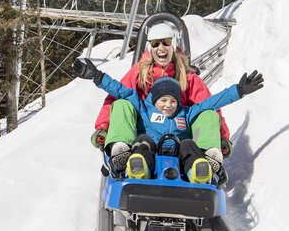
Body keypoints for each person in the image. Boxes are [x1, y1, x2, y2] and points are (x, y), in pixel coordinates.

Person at [74, 58, 264, 183]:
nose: (168, 105)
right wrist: (97, 76)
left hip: (179, 158)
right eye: (163, 101)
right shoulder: (144, 109)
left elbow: (211, 102)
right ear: (154, 100)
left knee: (189, 143)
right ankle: (134, 166)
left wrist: (238, 91)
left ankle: (201, 170)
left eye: (173, 101)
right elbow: (120, 90)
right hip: (151, 153)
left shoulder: (185, 113)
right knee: (143, 142)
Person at [90, 19, 233, 177]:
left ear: (173, 45)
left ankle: (206, 161)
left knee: (208, 113)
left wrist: (222, 138)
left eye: (166, 42)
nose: (161, 48)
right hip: (144, 134)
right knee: (122, 103)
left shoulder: (189, 78)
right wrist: (103, 127)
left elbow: (211, 105)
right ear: (149, 47)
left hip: (181, 138)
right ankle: (122, 153)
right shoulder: (138, 73)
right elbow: (116, 96)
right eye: (155, 44)